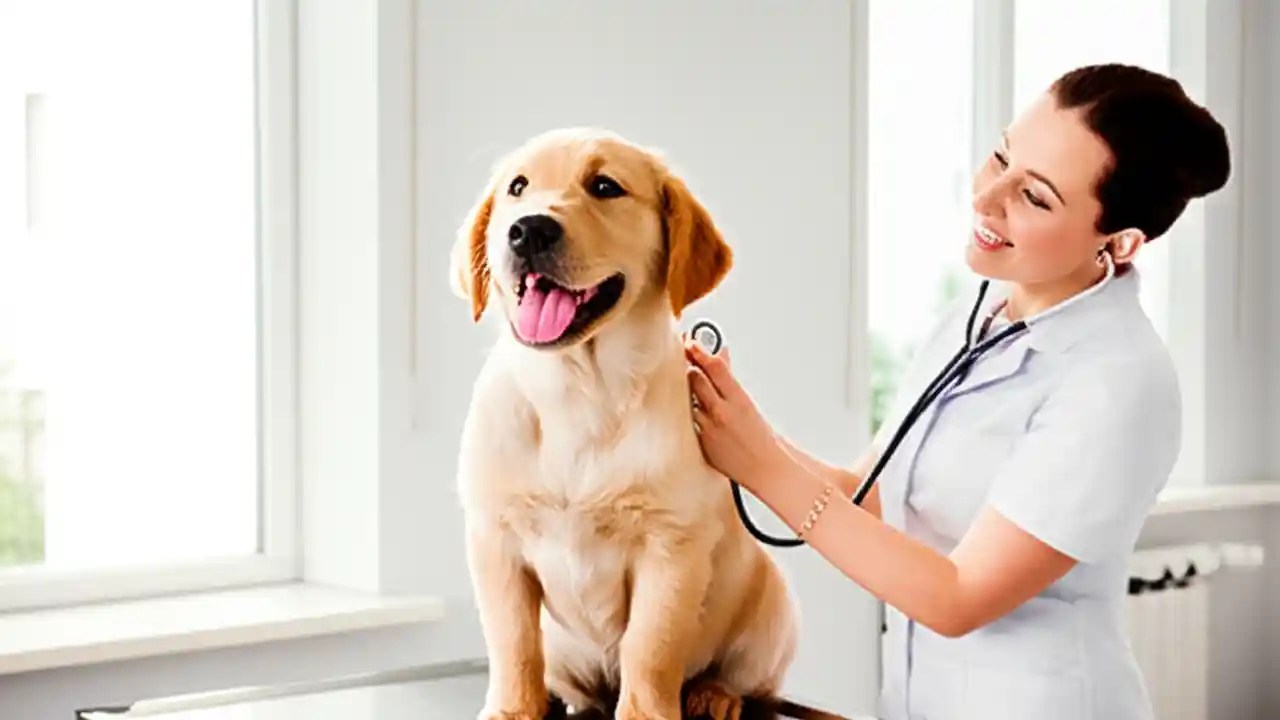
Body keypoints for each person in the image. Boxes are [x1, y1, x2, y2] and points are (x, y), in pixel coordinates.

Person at [684, 63, 1230, 720]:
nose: (986, 198)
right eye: (1002, 154)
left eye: (1035, 197)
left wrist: (759, 464)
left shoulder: (1119, 381)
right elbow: (873, 496)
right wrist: (730, 420)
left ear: (1121, 240)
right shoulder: (980, 312)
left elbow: (957, 599)